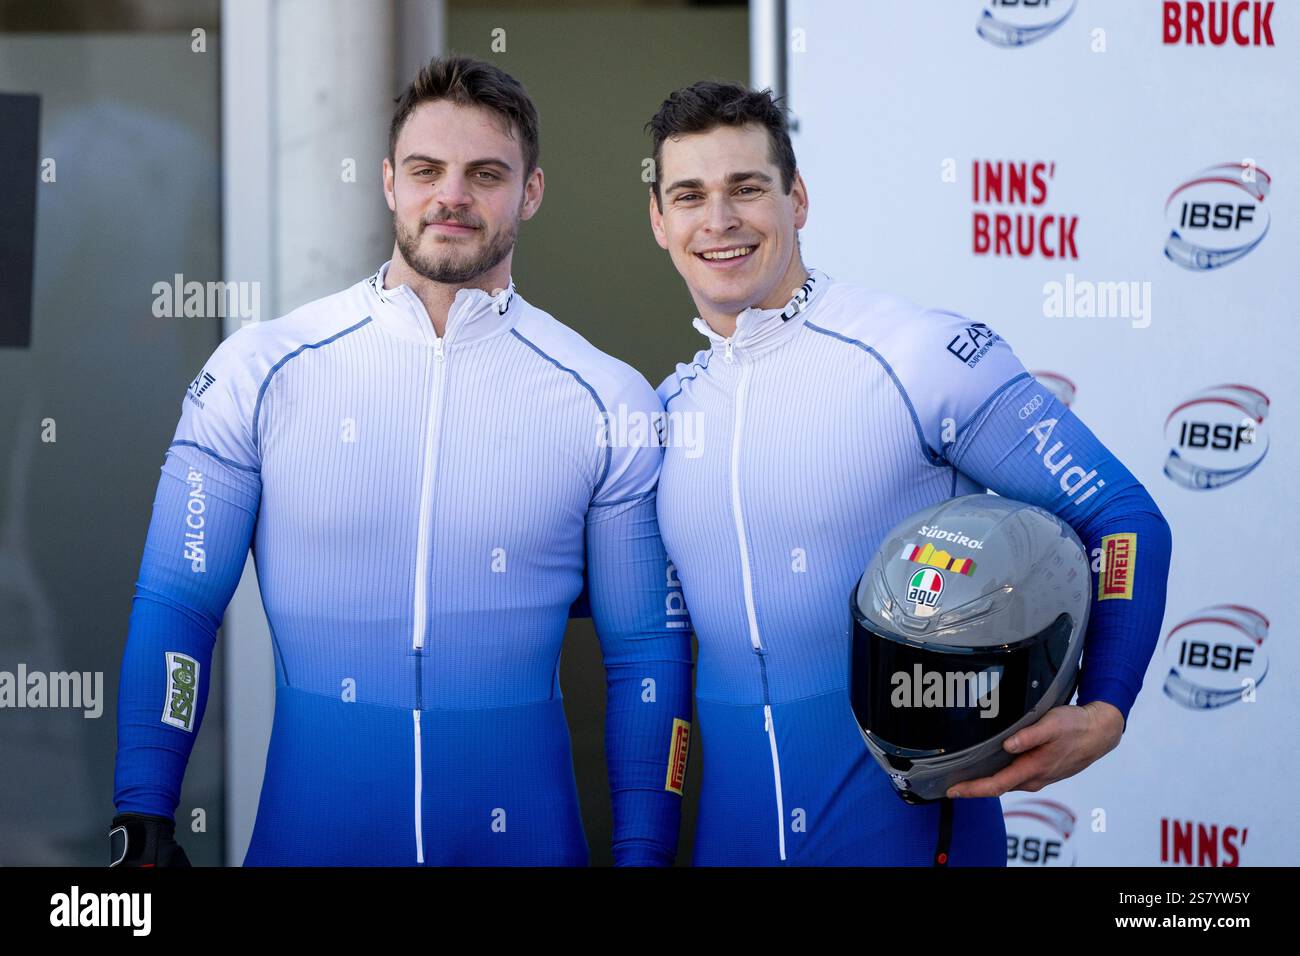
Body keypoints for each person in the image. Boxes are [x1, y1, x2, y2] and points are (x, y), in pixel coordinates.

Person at [110, 55, 692, 867]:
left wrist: (645, 852)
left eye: (484, 173)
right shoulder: (258, 370)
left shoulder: (607, 398)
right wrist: (143, 814)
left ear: (530, 192)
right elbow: (178, 605)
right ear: (389, 182)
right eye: (427, 171)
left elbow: (644, 658)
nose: (451, 195)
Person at [645, 81, 1172, 866]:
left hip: (916, 839)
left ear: (799, 199)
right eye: (689, 195)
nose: (718, 220)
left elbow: (1123, 515)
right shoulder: (663, 412)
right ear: (660, 221)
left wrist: (1104, 707)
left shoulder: (915, 356)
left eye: (746, 189)